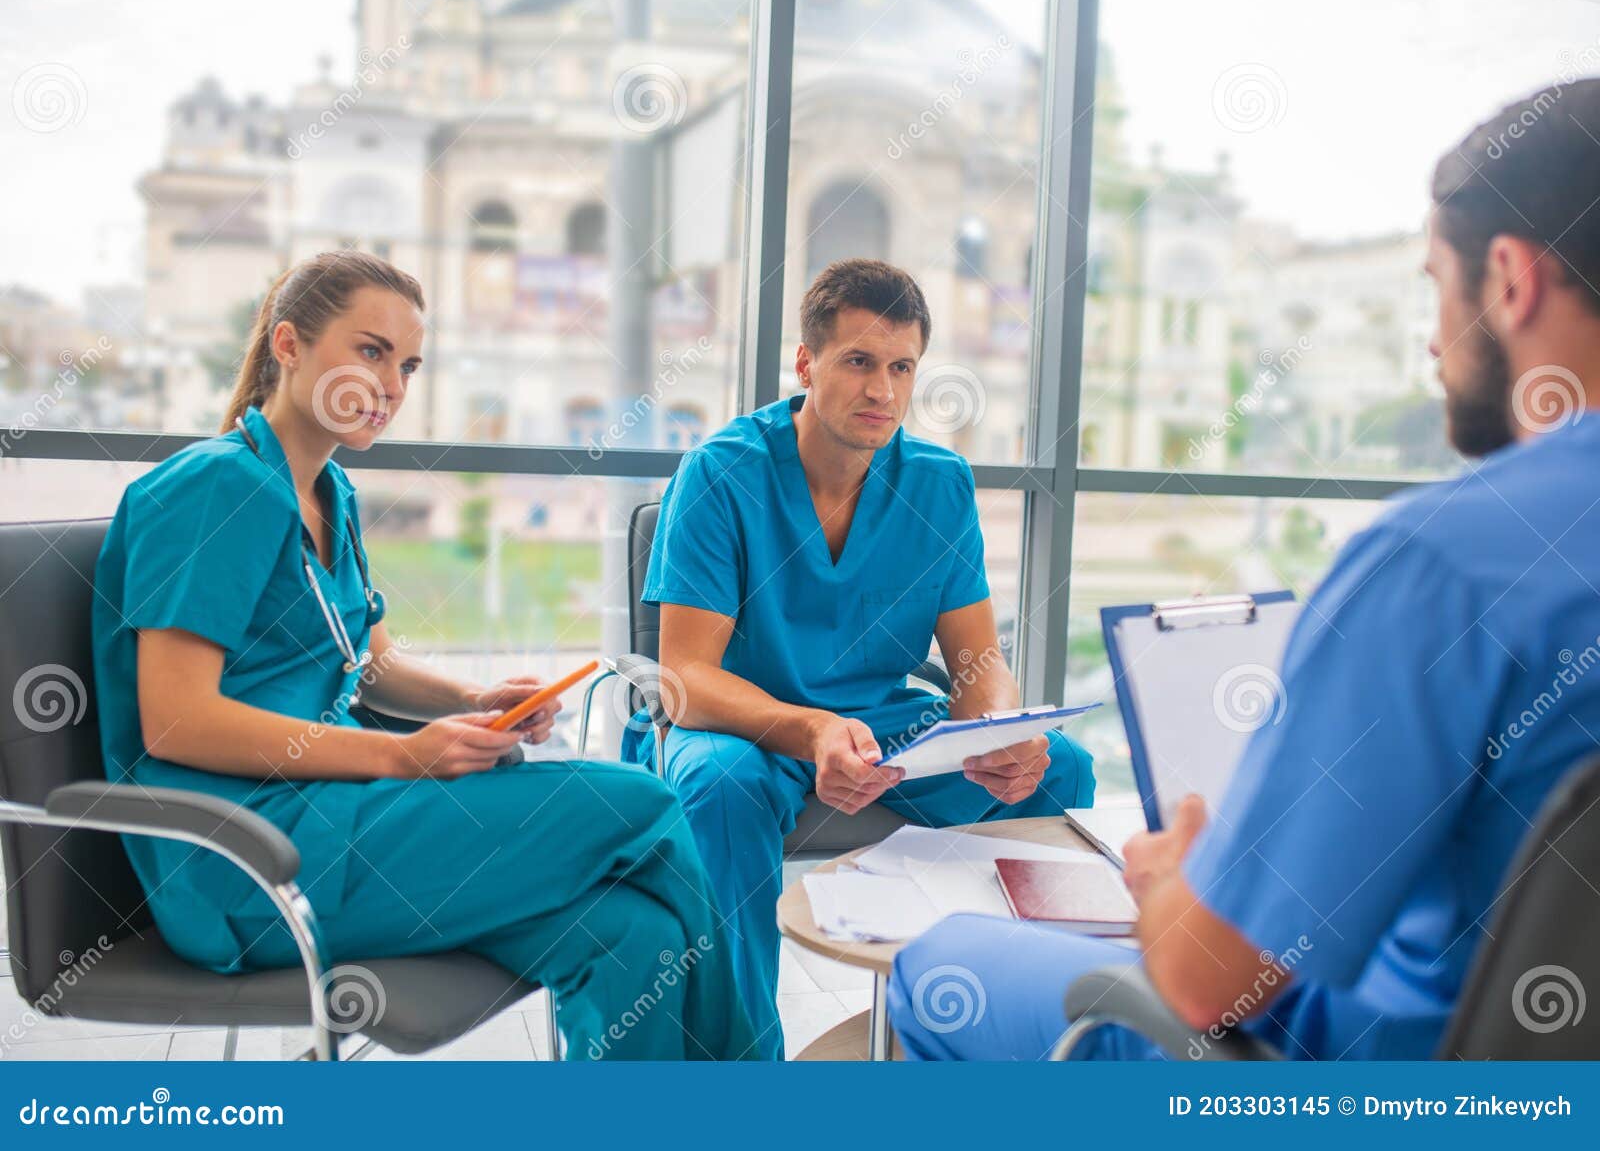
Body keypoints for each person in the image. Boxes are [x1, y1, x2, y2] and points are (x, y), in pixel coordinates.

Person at [889, 79, 1600, 1061]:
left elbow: (1201, 976)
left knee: (941, 969)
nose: (1434, 338)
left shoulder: (1441, 564)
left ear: (1512, 280)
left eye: (1439, 284)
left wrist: (1170, 880)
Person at [91, 250, 756, 1061]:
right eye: (370, 351)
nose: (393, 385)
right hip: (247, 861)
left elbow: (367, 667)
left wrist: (474, 701)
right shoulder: (211, 488)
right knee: (641, 803)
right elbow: (176, 720)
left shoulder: (329, 491)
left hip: (337, 815)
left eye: (407, 364)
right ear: (289, 345)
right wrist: (403, 755)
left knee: (635, 934)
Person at [635, 259, 1096, 1058]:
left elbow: (975, 660)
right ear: (807, 363)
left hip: (882, 724)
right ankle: (739, 1070)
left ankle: (1010, 1036)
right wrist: (812, 729)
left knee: (1060, 769)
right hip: (741, 724)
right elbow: (687, 681)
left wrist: (998, 729)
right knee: (718, 789)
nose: (882, 388)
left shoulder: (938, 482)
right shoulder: (721, 472)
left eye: (901, 366)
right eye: (858, 361)